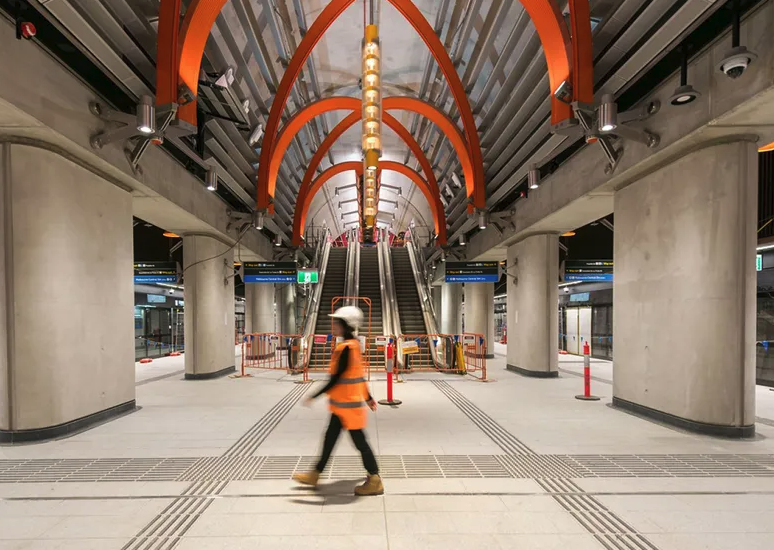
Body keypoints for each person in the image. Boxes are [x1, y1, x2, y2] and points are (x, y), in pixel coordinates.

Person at [293, 306, 383, 496]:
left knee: (360, 443)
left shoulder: (347, 348)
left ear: (346, 325)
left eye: (337, 322)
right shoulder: (354, 346)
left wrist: (314, 395)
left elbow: (336, 378)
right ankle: (315, 474)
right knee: (329, 440)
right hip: (343, 406)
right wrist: (367, 397)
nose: (333, 324)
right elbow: (357, 376)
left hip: (347, 407)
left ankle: (375, 480)